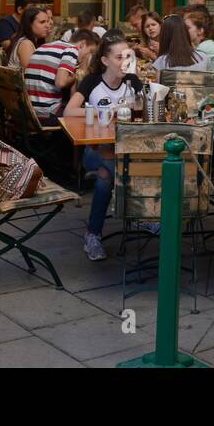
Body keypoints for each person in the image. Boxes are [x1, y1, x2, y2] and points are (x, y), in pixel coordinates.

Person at [63, 36, 145, 261]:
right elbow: (69, 111)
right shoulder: (92, 81)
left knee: (110, 174)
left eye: (128, 56)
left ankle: (97, 232)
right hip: (95, 150)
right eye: (119, 57)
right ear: (105, 60)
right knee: (107, 171)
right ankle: (131, 217)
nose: (125, 62)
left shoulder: (132, 82)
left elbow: (145, 108)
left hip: (124, 148)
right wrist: (103, 112)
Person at [24, 29, 99, 124]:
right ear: (82, 44)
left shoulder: (45, 46)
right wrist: (79, 73)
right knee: (82, 115)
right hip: (46, 113)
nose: (88, 56)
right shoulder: (72, 50)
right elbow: (60, 83)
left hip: (29, 110)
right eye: (90, 52)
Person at [7, 6, 53, 71]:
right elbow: (32, 74)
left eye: (47, 22)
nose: (47, 26)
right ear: (29, 24)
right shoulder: (26, 44)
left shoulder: (33, 41)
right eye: (42, 22)